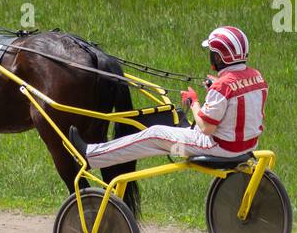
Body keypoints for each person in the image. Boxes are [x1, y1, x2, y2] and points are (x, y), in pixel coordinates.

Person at [68, 26, 267, 167]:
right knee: (163, 143)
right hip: (247, 145)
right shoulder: (257, 77)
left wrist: (194, 101)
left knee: (153, 135)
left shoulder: (223, 86)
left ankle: (91, 156)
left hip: (218, 149)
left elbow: (207, 128)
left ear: (218, 56)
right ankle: (173, 145)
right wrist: (215, 89)